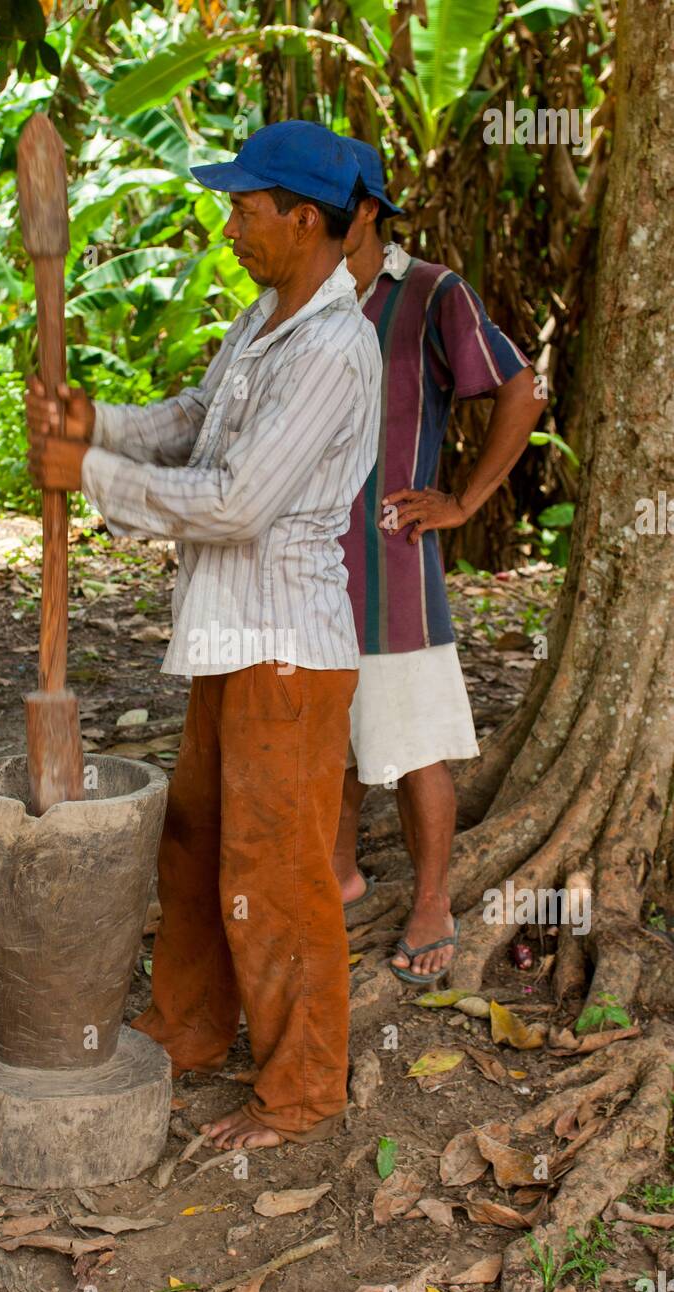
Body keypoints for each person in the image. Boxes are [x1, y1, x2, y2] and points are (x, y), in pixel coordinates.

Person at [26, 121, 381, 1148]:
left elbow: (234, 503)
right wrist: (99, 423)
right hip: (229, 640)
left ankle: (302, 1087)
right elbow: (192, 417)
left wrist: (86, 477)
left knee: (273, 873)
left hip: (286, 649)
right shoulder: (266, 319)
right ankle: (185, 1029)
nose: (228, 224)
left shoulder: (331, 347)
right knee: (192, 848)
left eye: (243, 205)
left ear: (301, 218)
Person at [334, 136, 545, 985]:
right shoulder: (298, 297)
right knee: (323, 741)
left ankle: (430, 901)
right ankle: (338, 878)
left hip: (391, 564)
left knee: (413, 742)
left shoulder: (427, 292)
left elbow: (519, 388)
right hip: (299, 571)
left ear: (368, 212)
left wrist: (461, 500)